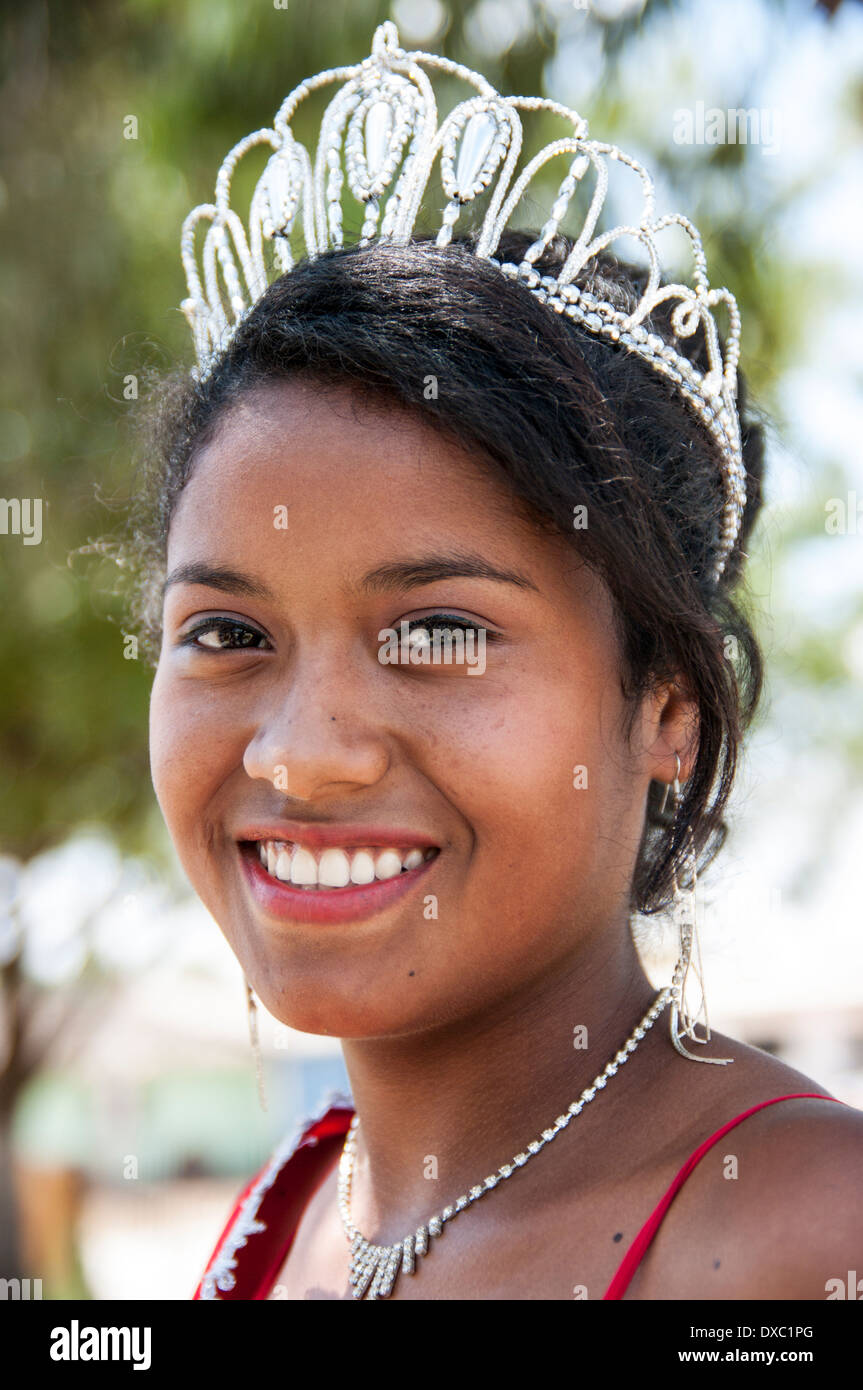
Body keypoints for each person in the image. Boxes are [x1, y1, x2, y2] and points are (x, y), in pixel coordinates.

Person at [118, 24, 863, 1300]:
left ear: (667, 707)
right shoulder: (287, 1214)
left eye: (438, 633)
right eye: (228, 634)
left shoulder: (799, 1236)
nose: (299, 750)